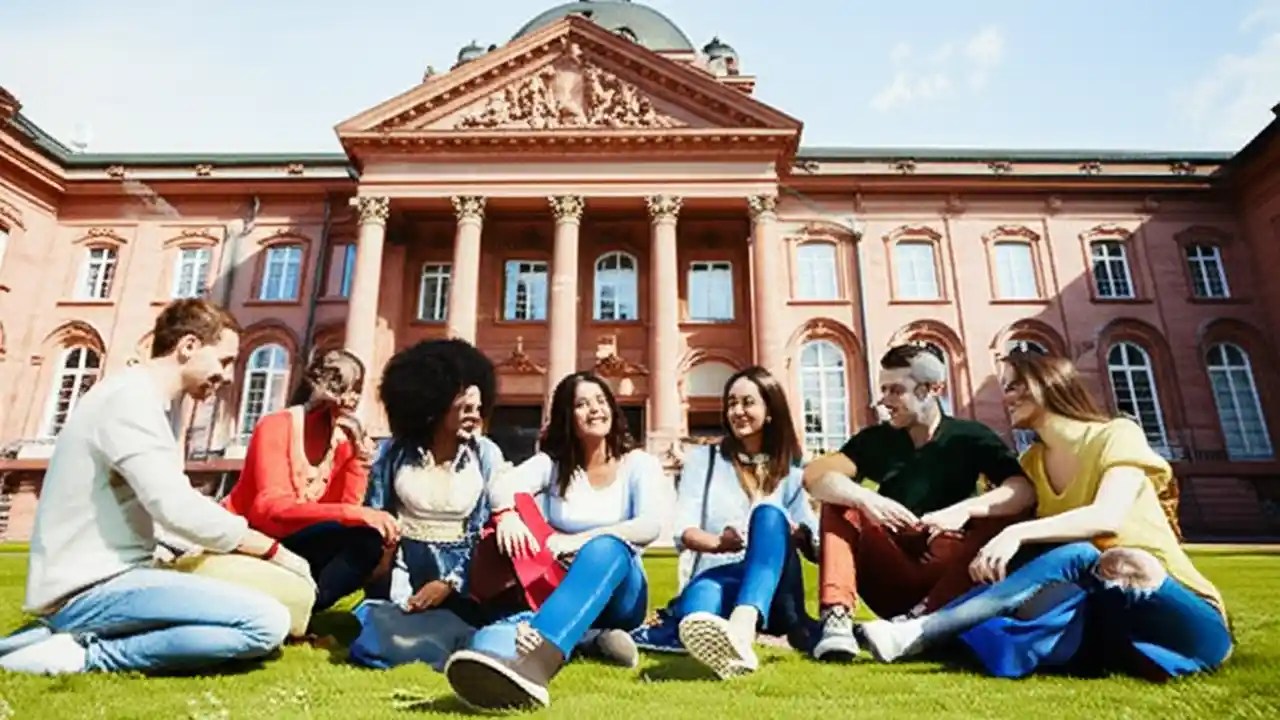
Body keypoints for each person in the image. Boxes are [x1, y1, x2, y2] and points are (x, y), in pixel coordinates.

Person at [857, 351, 1232, 681]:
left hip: (1177, 609)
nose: (1007, 397)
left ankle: (924, 630)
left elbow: (1107, 517)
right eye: (1006, 388)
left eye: (1015, 385)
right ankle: (937, 628)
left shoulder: (1116, 435)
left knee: (1088, 554)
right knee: (1023, 602)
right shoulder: (1032, 464)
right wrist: (961, 514)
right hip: (1107, 619)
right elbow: (1000, 508)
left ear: (1047, 383)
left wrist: (1018, 532)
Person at [0, 299, 306, 676]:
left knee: (239, 603)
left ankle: (55, 639)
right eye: (224, 361)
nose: (227, 376)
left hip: (112, 577)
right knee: (265, 622)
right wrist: (270, 548)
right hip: (91, 587)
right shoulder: (130, 401)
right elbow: (174, 507)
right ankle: (85, 657)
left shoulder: (151, 402)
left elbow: (161, 510)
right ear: (189, 346)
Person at [443, 371, 666, 711]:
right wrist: (508, 514)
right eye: (581, 404)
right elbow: (501, 487)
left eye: (601, 401)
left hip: (622, 592)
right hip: (561, 589)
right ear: (567, 416)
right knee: (492, 636)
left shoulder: (638, 464)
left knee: (606, 547)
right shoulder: (553, 466)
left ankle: (538, 665)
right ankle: (586, 640)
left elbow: (648, 526)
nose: (594, 409)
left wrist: (578, 541)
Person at [802, 343, 1029, 661]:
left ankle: (921, 622)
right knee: (840, 499)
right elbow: (815, 476)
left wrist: (962, 511)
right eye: (883, 390)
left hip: (950, 573)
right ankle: (837, 620)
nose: (885, 401)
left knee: (1001, 518)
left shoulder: (970, 436)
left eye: (896, 390)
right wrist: (865, 498)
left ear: (933, 389)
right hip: (891, 570)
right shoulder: (877, 439)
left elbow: (1022, 490)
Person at [635, 366, 819, 679]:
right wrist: (720, 543)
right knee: (697, 613)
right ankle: (729, 639)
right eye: (731, 403)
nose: (737, 411)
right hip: (718, 573)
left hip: (774, 588)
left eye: (748, 402)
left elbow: (812, 540)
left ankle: (744, 626)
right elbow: (685, 530)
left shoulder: (792, 470)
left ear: (769, 410)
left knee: (768, 515)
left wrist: (792, 533)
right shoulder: (702, 460)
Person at [347, 338, 508, 670]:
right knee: (373, 642)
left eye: (479, 409)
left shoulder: (486, 454)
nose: (475, 417)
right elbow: (375, 515)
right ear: (435, 406)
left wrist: (450, 583)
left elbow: (486, 531)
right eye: (466, 408)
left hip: (464, 582)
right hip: (403, 576)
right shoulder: (392, 453)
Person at [222, 348, 397, 613]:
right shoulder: (276, 425)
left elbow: (339, 512)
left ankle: (303, 609)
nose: (353, 399)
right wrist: (358, 514)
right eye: (345, 388)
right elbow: (269, 509)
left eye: (357, 390)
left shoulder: (342, 439)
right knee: (360, 531)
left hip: (295, 541)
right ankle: (287, 609)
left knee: (365, 541)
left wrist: (358, 463)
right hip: (250, 535)